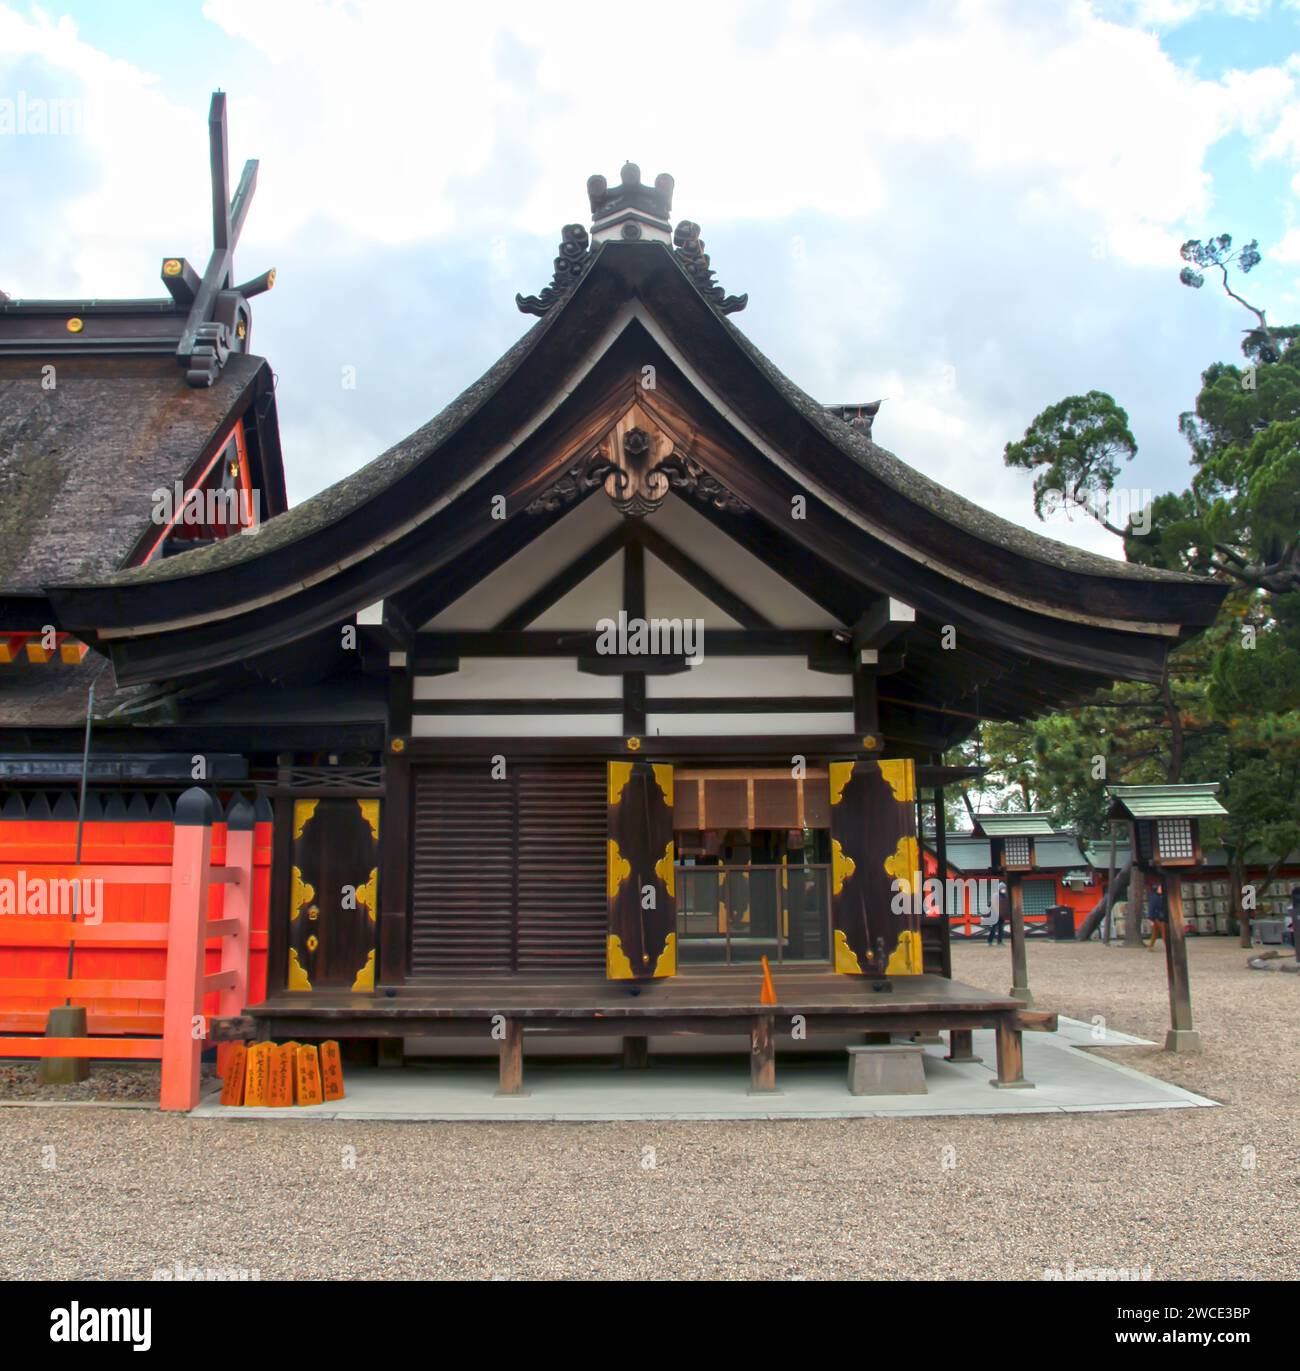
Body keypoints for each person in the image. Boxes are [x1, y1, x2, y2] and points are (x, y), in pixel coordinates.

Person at [985, 880, 1008, 947]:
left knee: (1001, 929)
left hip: (1001, 916)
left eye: (1004, 888)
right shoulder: (995, 895)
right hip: (994, 915)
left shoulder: (1005, 896)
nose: (1003, 889)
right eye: (1002, 888)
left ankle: (1000, 942)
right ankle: (989, 941)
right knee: (993, 929)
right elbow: (989, 904)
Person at [1145, 881, 1167, 950]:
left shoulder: (1158, 896)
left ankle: (1150, 946)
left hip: (1157, 917)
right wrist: (1150, 918)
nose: (1162, 889)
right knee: (1164, 932)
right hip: (1158, 917)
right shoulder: (1154, 896)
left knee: (1155, 933)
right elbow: (1151, 907)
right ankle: (1168, 946)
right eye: (1160, 888)